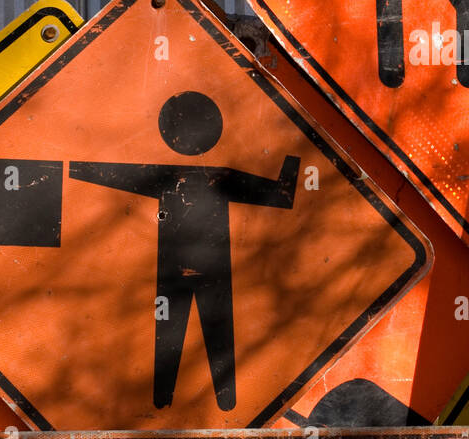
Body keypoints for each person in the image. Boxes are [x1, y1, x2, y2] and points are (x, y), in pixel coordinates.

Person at [69, 91, 299, 411]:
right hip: (182, 270)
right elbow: (281, 193)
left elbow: (279, 194)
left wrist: (296, 150)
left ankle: (215, 400)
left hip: (201, 269)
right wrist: (76, 167)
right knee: (181, 334)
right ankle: (180, 401)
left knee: (206, 332)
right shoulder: (192, 177)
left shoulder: (206, 177)